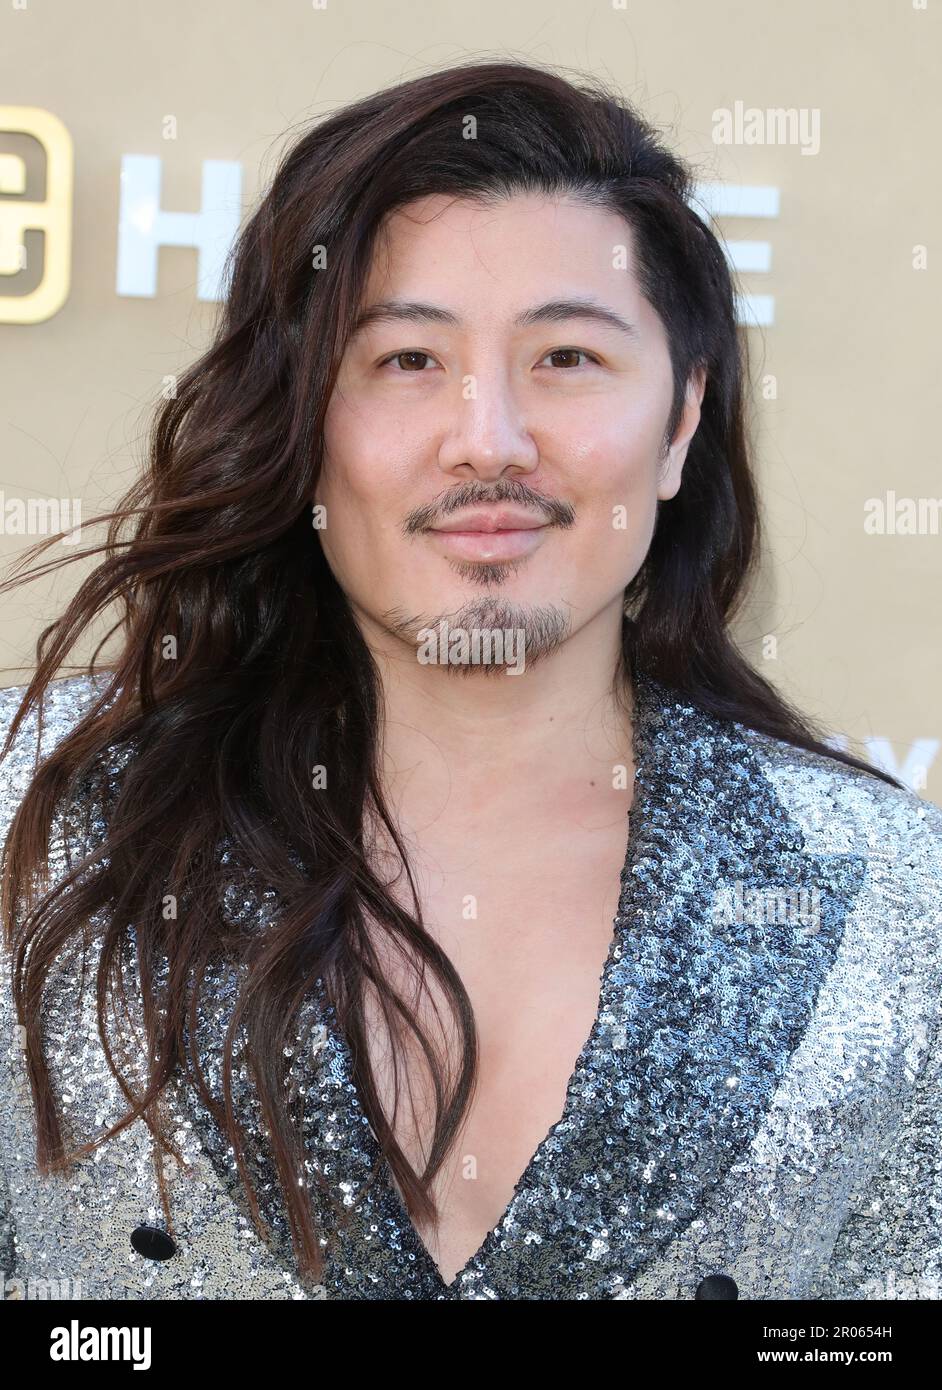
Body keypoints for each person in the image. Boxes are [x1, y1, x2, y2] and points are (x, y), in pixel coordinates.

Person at [1, 59, 940, 1302]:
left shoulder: (889, 906)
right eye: (405, 360)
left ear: (679, 421)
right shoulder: (39, 823)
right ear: (303, 422)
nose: (488, 438)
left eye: (565, 357)